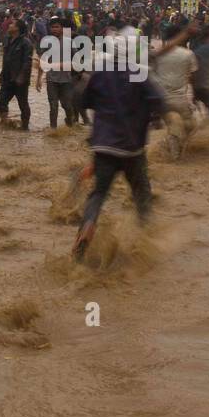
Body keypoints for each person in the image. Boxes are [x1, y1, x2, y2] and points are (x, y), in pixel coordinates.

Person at [71, 32, 165, 261]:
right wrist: (152, 117)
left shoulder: (101, 75)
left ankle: (88, 226)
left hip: (103, 145)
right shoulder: (139, 74)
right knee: (142, 192)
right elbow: (159, 101)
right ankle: (146, 239)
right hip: (132, 146)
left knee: (98, 193)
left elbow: (82, 100)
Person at [152, 22, 199, 159]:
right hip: (180, 100)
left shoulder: (156, 54)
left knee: (172, 123)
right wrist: (195, 96)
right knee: (191, 126)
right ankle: (174, 145)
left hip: (160, 100)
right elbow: (193, 78)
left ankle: (170, 144)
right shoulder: (188, 54)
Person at [0, 18, 33, 130]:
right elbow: (5, 59)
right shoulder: (7, 40)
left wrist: (21, 77)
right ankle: (4, 123)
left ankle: (25, 127)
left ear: (17, 28)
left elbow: (27, 62)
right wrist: (2, 74)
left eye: (12, 24)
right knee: (2, 100)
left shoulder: (26, 43)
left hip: (19, 79)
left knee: (23, 103)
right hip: (7, 77)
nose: (10, 25)